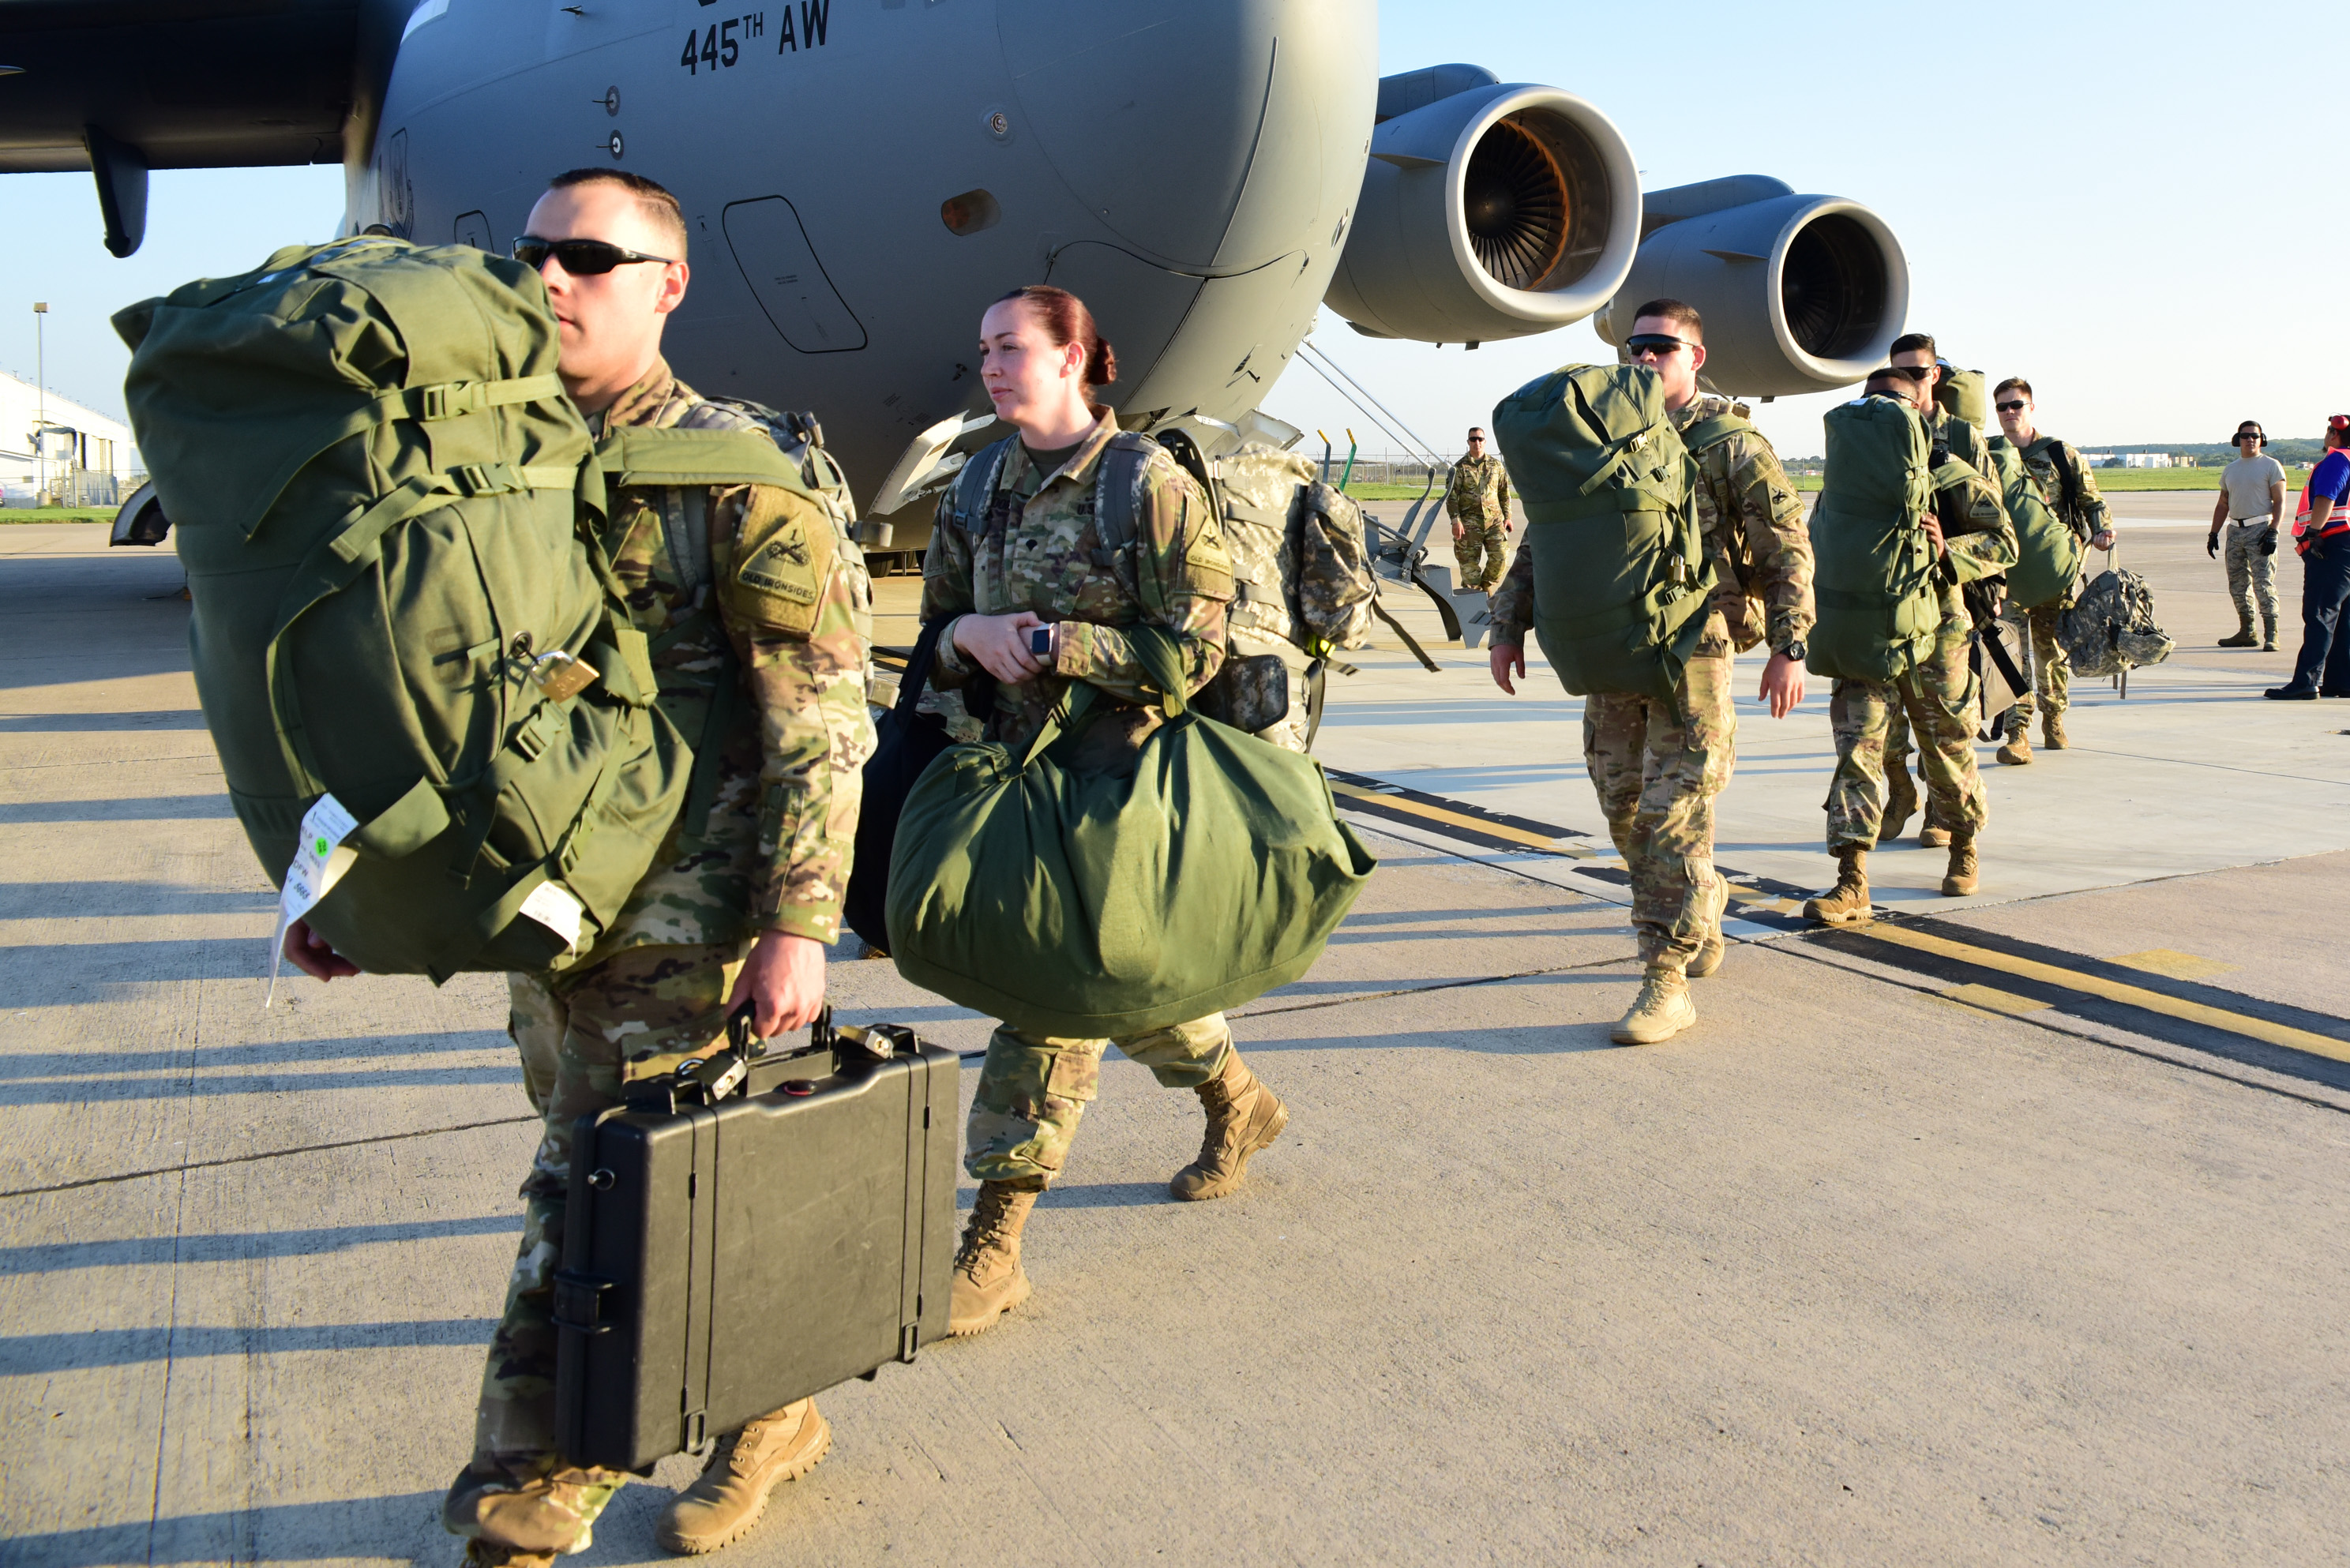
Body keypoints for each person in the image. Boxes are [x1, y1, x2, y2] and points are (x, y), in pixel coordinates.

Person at [286, 168, 877, 1566]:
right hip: (547, 914)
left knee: (587, 1186)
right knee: (674, 1178)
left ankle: (526, 1493)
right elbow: (426, 707)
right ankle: (775, 1406)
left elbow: (821, 713)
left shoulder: (739, 471)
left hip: (692, 910)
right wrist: (344, 890)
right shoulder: (485, 473)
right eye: (536, 253)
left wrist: (799, 921)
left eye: (592, 258)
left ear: (666, 286)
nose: (552, 278)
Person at [919, 284, 1285, 1337]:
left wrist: (1055, 645)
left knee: (1052, 998)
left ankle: (994, 1242)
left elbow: (1195, 651)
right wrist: (969, 642)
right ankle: (1235, 1096)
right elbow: (941, 620)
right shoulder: (978, 482)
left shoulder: (1148, 487)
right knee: (1119, 977)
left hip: (1117, 783)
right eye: (982, 347)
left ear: (1076, 358)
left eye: (1012, 348)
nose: (990, 365)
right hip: (1010, 781)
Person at [1488, 298, 1813, 1045]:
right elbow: (1548, 535)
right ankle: (1700, 903)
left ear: (1695, 358)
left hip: (1696, 653)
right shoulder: (1606, 433)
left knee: (1671, 819)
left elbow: (1787, 545)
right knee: (1624, 812)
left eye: (1662, 347)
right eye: (1635, 346)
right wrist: (1508, 625)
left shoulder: (1731, 445)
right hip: (1614, 652)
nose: (1644, 358)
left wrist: (1789, 646)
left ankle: (1663, 980)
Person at [1803, 363, 2015, 924]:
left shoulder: (1949, 471)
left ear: (1920, 406)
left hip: (1938, 630)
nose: (1880, 412)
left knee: (1947, 747)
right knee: (1858, 751)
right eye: (1872, 401)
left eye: (1893, 400)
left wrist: (1950, 551)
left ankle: (1964, 843)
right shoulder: (1846, 483)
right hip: (1865, 629)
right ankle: (1852, 881)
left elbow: (2005, 543)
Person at [1879, 334, 2002, 823]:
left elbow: (1995, 523)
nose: (1907, 380)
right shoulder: (1876, 434)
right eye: (1898, 372)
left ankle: (1943, 815)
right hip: (1885, 598)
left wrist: (1987, 585)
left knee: (1945, 721)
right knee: (1879, 723)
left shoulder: (1962, 440)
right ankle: (1900, 790)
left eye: (1917, 372)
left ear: (1935, 376)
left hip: (1946, 594)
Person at [1993, 379, 2113, 752]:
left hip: (2055, 572)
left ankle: (2054, 718)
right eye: (2002, 407)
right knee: (2009, 652)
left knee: (2050, 653)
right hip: (2006, 574)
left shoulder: (2060, 454)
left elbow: (2091, 500)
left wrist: (2102, 529)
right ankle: (2017, 732)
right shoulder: (1988, 457)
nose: (2010, 412)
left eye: (2017, 404)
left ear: (2031, 407)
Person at [2269, 414, 2350, 700]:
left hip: (2334, 544)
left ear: (2333, 435)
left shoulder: (2338, 460)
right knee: (2343, 616)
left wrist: (2313, 532)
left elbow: (2326, 497)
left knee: (2320, 613)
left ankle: (2306, 681)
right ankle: (2342, 681)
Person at [2211, 421, 2287, 650]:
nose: (2250, 440)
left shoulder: (2271, 466)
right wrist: (2213, 532)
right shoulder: (2231, 469)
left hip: (2260, 529)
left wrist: (2273, 530)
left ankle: (2272, 634)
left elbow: (2280, 501)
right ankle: (2247, 631)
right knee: (2237, 584)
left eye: (2255, 436)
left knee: (2263, 583)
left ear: (2262, 438)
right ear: (2238, 440)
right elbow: (2223, 503)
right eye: (2245, 436)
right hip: (2235, 530)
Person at [1447, 426, 1512, 592]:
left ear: (1485, 441)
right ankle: (1474, 601)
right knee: (1469, 568)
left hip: (1494, 522)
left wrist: (1508, 517)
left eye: (1480, 439)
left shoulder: (1496, 466)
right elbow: (1452, 496)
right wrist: (1456, 521)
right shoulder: (1459, 468)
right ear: (1468, 442)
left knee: (1501, 557)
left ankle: (1486, 586)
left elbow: (1504, 492)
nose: (1477, 442)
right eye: (1473, 439)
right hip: (1469, 525)